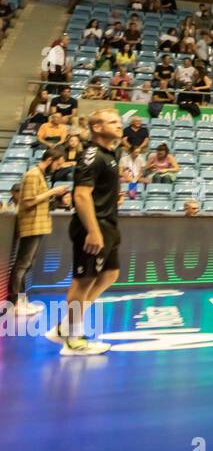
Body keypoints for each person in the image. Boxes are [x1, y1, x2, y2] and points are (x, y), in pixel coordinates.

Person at [46, 109, 124, 356]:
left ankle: (65, 327)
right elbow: (80, 194)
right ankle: (73, 341)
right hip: (94, 226)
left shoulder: (110, 154)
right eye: (113, 122)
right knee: (84, 282)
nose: (119, 125)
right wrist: (92, 230)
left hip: (108, 224)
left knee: (110, 273)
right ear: (98, 128)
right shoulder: (92, 155)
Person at [2, 147, 69, 317]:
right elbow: (28, 202)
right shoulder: (33, 174)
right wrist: (52, 192)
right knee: (22, 264)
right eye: (58, 163)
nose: (58, 167)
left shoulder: (39, 175)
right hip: (31, 224)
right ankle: (15, 302)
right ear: (51, 159)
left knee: (26, 264)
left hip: (37, 225)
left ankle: (22, 301)